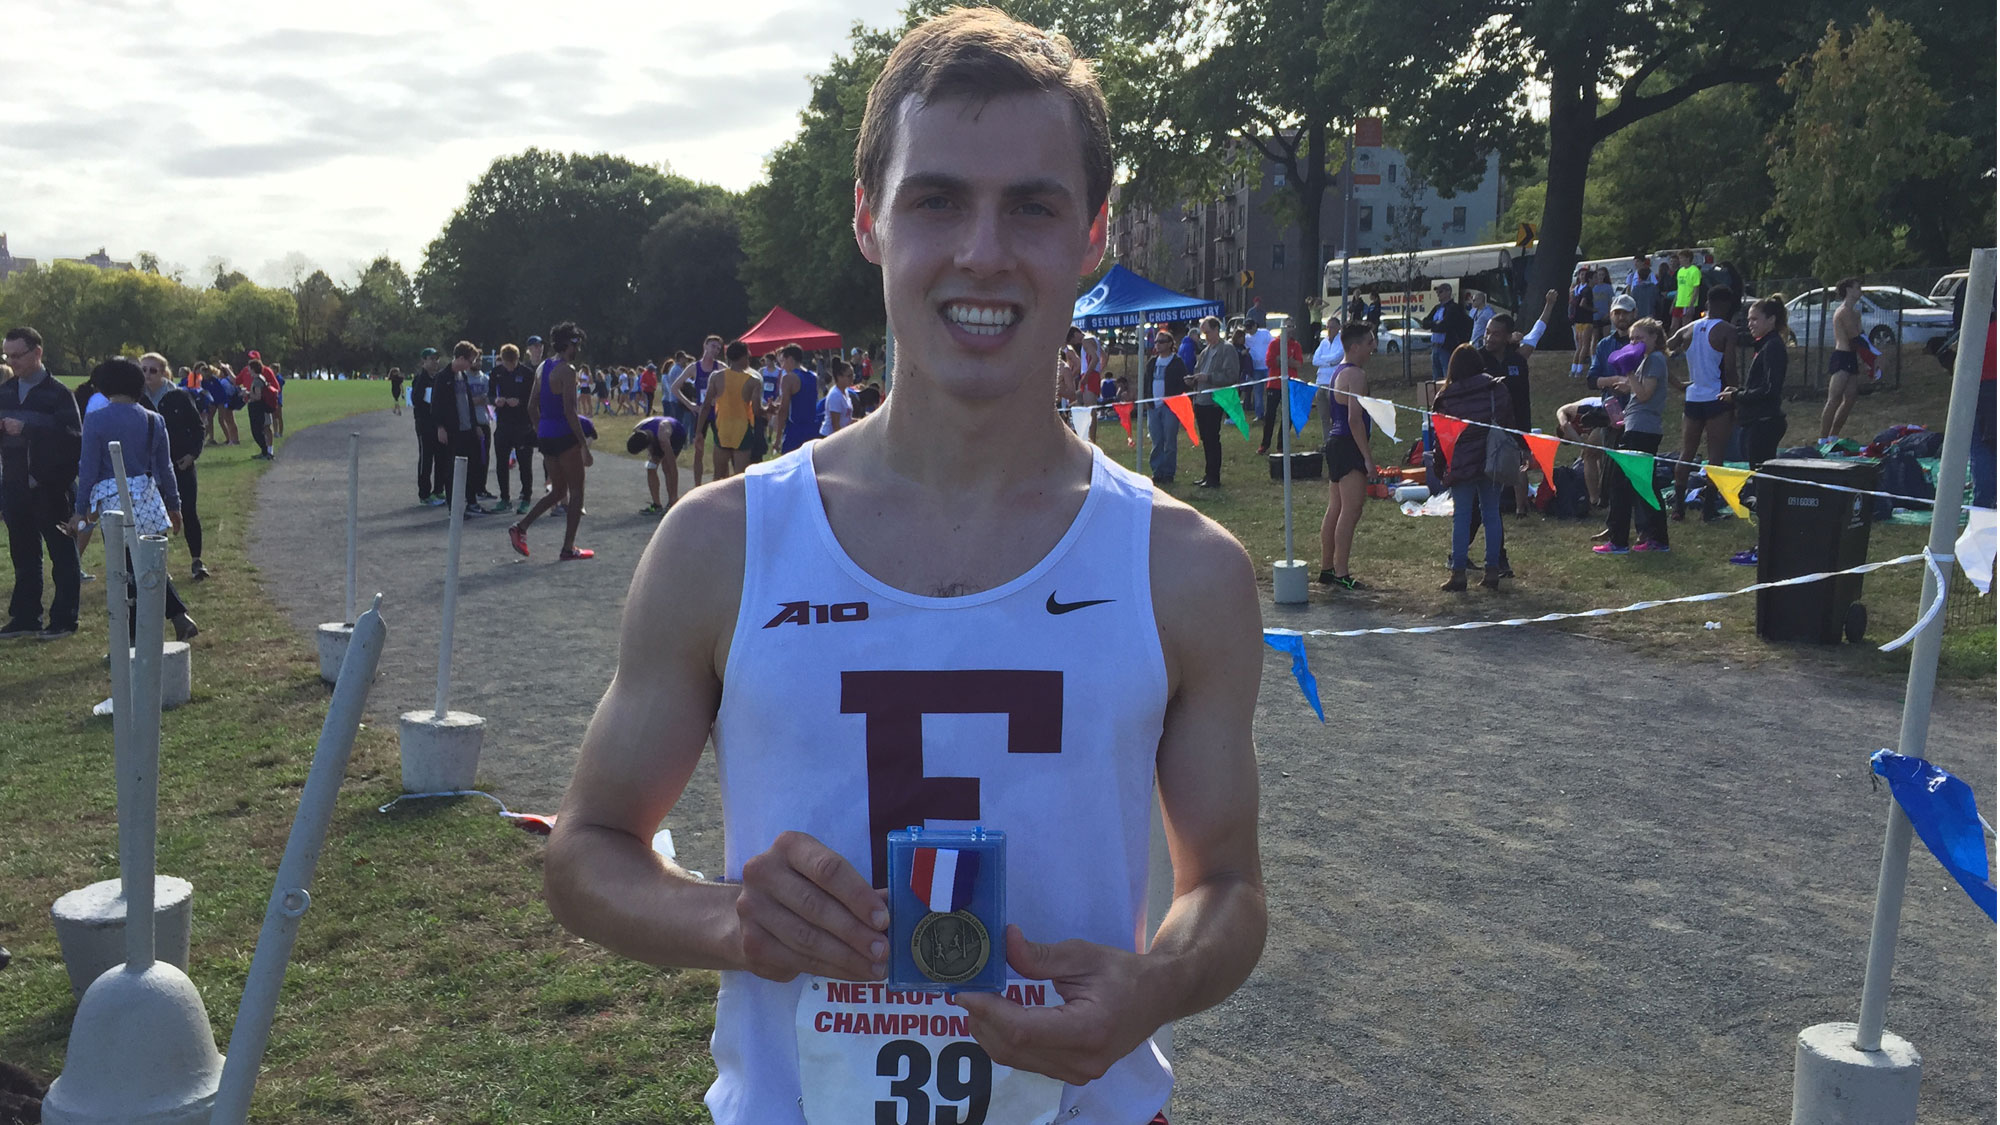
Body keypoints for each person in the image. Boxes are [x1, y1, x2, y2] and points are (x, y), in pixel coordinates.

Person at [542, 14, 1264, 1123]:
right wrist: (729, 919)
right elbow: (586, 852)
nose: (983, 251)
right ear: (868, 219)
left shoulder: (1183, 568)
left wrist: (1153, 986)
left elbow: (1223, 884)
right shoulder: (724, 541)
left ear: (1091, 235)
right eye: (935, 199)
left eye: (1031, 204)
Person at [71, 357, 197, 641]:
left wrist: (80, 511)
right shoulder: (154, 419)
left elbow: (88, 468)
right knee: (150, 564)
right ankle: (176, 616)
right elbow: (165, 468)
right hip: (150, 499)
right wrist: (174, 506)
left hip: (115, 503)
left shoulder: (96, 419)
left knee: (125, 574)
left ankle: (133, 640)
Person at [0, 327, 83, 640]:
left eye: (17, 355)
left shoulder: (59, 393)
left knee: (62, 555)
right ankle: (25, 617)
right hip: (14, 486)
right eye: (7, 355)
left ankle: (63, 620)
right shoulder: (6, 391)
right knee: (23, 555)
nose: (11, 361)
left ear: (37, 353)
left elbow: (74, 439)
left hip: (51, 488)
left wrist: (28, 429)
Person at [508, 322, 594, 561]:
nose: (578, 349)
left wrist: (541, 430)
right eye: (577, 344)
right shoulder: (568, 370)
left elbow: (531, 406)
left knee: (557, 491)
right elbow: (570, 411)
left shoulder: (543, 367)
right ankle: (568, 547)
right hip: (564, 435)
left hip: (546, 434)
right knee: (576, 492)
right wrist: (583, 445)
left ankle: (521, 527)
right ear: (570, 344)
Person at [1434, 343, 1510, 591]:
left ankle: (1458, 573)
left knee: (1462, 517)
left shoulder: (1446, 397)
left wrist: (1439, 466)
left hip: (1460, 461)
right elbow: (1509, 421)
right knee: (1491, 514)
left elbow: (1441, 438)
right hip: (1492, 456)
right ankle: (1492, 570)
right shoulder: (1495, 388)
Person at [1593, 317, 1671, 554]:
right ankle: (1657, 539)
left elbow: (1646, 394)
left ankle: (1618, 541)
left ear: (1654, 338)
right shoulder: (1647, 360)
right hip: (1637, 425)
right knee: (1644, 486)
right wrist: (1627, 385)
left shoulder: (1655, 359)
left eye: (1640, 338)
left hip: (1642, 430)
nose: (1635, 342)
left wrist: (1629, 374)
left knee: (1621, 485)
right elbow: (1640, 390)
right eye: (1632, 339)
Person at [1665, 286, 1739, 521]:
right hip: (1717, 396)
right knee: (1715, 454)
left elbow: (1663, 349)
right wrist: (1735, 395)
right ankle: (1709, 509)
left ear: (1706, 303)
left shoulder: (1688, 329)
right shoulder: (1727, 330)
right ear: (1726, 305)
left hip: (1693, 396)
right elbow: (1729, 368)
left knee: (1686, 452)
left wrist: (1677, 383)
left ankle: (1678, 507)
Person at [1317, 322, 1376, 589]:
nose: (1372, 348)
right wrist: (1367, 457)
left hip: (1335, 442)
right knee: (1350, 511)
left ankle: (1327, 568)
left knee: (1336, 508)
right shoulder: (1356, 375)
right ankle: (1341, 572)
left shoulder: (1337, 372)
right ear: (1355, 347)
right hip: (1348, 444)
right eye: (1368, 343)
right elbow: (1354, 419)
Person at [140, 353, 210, 580]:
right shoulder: (138, 399)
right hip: (150, 469)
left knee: (188, 511)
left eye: (153, 370)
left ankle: (197, 561)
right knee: (155, 519)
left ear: (163, 373)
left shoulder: (179, 396)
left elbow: (198, 428)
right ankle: (160, 567)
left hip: (180, 465)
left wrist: (192, 455)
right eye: (144, 370)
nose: (147, 375)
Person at [1724, 297, 1790, 466]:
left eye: (1754, 319)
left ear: (1771, 320)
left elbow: (1770, 389)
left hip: (1765, 422)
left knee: (1762, 475)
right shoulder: (1763, 345)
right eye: (1748, 320)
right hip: (1755, 420)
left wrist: (1737, 395)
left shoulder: (1773, 346)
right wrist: (1739, 390)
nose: (1750, 324)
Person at [430, 341, 487, 513]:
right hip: (452, 431)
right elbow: (436, 405)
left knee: (471, 467)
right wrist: (440, 427)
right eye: (470, 361)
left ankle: (471, 502)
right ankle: (453, 508)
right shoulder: (443, 378)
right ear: (460, 358)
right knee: (452, 470)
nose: (471, 365)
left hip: (468, 429)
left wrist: (475, 424)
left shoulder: (463, 377)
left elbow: (468, 402)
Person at [1819, 278, 1874, 441]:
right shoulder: (1842, 312)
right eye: (1858, 287)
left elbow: (1862, 336)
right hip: (1842, 357)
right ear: (1849, 290)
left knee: (1850, 397)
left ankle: (1834, 435)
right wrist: (1873, 356)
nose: (1860, 291)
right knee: (1834, 398)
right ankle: (1822, 438)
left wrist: (1869, 359)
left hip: (1851, 357)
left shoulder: (1856, 313)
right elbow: (1854, 337)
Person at [702, 341, 765, 480]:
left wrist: (699, 431)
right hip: (742, 429)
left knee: (718, 476)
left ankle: (716, 501)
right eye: (748, 357)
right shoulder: (753, 381)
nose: (749, 360)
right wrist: (769, 409)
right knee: (740, 477)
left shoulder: (716, 377)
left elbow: (706, 406)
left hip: (722, 428)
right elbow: (756, 410)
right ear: (743, 358)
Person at [490, 343, 538, 515]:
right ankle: (504, 498)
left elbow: (534, 399)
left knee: (525, 463)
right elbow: (490, 394)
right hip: (503, 423)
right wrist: (496, 400)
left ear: (517, 359)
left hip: (522, 424)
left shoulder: (527, 374)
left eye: (511, 363)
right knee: (502, 463)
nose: (508, 366)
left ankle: (526, 497)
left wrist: (520, 402)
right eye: (506, 363)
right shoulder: (496, 373)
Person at [1189, 315, 1237, 488]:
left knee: (1212, 438)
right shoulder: (1205, 351)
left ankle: (1214, 477)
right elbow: (1198, 370)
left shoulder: (1227, 349)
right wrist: (1193, 379)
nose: (1205, 336)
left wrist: (1208, 377)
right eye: (1203, 334)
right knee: (1205, 439)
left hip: (1214, 402)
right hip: (1201, 400)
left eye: (1207, 332)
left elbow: (1231, 375)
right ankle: (1207, 474)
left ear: (1216, 330)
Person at [1144, 325, 1190, 482]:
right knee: (1157, 441)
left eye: (1162, 341)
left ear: (1170, 343)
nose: (1158, 344)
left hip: (1171, 406)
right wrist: (1147, 400)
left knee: (1170, 441)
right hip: (1153, 406)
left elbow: (1183, 384)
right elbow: (1146, 382)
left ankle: (1169, 472)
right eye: (1156, 342)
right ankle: (1157, 472)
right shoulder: (1152, 362)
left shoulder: (1177, 362)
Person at [685, 335, 726, 488]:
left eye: (718, 348)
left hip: (716, 413)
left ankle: (720, 485)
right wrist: (690, 404)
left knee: (722, 450)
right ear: (705, 346)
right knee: (698, 451)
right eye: (713, 346)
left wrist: (719, 398)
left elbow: (732, 383)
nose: (715, 350)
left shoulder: (720, 367)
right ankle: (697, 486)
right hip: (701, 413)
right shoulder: (694, 367)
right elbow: (675, 387)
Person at [628, 415, 686, 514]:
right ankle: (656, 505)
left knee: (667, 467)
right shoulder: (637, 430)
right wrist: (652, 455)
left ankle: (672, 502)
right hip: (656, 435)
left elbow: (673, 468)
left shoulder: (663, 437)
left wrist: (675, 496)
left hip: (676, 435)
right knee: (650, 467)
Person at [771, 344, 820, 456]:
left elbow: (784, 410)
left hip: (795, 429)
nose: (782, 366)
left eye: (783, 361)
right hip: (812, 427)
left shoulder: (789, 378)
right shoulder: (813, 376)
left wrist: (778, 438)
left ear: (790, 359)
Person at [1423, 282, 1473, 384]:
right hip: (1435, 347)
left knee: (1448, 374)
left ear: (1448, 292)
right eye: (1437, 291)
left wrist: (1434, 325)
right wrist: (1435, 324)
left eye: (1440, 291)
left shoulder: (1454, 308)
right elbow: (1424, 323)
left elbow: (1445, 326)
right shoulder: (1437, 308)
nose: (1438, 294)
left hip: (1446, 347)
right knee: (1436, 377)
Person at [411, 348, 442, 504]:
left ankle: (438, 490)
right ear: (424, 361)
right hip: (424, 424)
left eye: (437, 359)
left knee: (440, 457)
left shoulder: (437, 378)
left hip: (437, 424)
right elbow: (415, 400)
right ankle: (424, 494)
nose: (435, 362)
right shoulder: (420, 378)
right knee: (426, 459)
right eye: (431, 359)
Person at [237, 357, 279, 459]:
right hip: (261, 407)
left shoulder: (257, 381)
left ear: (254, 369)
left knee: (259, 430)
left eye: (250, 368)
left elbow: (258, 397)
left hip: (259, 408)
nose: (248, 370)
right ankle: (265, 452)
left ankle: (266, 452)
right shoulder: (260, 378)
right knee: (262, 429)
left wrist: (247, 394)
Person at [1568, 265, 1597, 377]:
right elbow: (1583, 304)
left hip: (1578, 321)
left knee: (1579, 346)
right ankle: (1579, 370)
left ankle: (1574, 368)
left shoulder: (1578, 290)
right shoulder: (1587, 290)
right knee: (1585, 345)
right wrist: (1593, 310)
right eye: (1594, 278)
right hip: (1586, 320)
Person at [818, 358, 854, 437]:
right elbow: (836, 426)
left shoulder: (846, 392)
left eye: (853, 375)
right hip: (829, 437)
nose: (852, 378)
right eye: (849, 376)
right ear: (839, 377)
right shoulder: (835, 395)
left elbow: (847, 419)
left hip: (841, 434)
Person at [1672, 251, 1703, 332]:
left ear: (1688, 258)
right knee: (1674, 326)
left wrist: (1691, 305)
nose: (1680, 260)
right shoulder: (1680, 271)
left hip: (1687, 302)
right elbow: (1679, 288)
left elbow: (1696, 289)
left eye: (1681, 258)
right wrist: (1674, 303)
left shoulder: (1694, 271)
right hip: (1679, 302)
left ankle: (1686, 344)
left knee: (1685, 327)